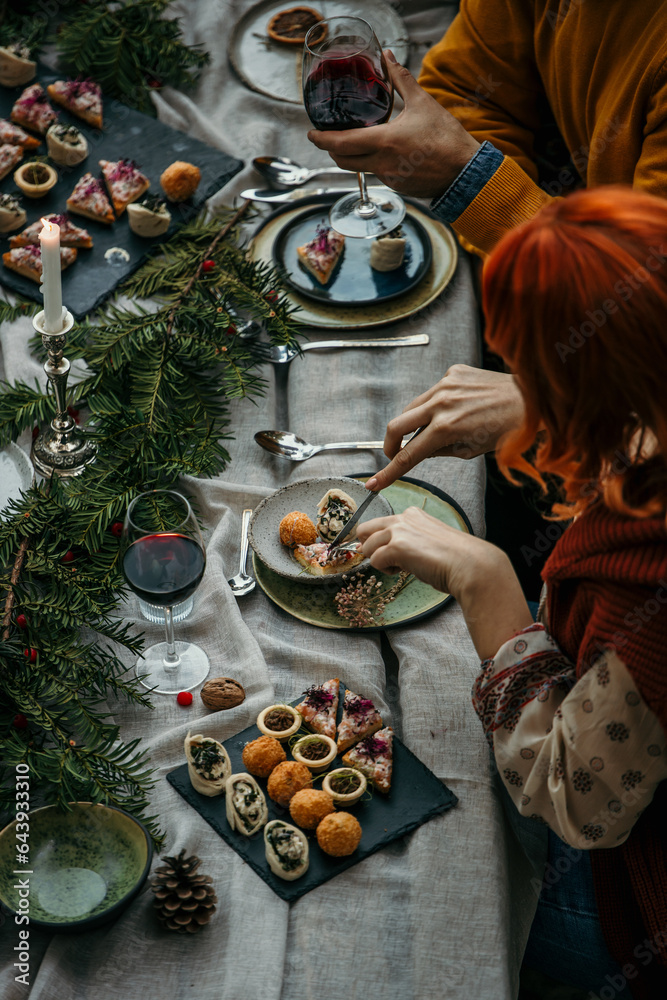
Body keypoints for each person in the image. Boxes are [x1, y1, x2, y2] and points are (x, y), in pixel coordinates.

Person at [357, 187, 667, 998]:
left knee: (415, 892)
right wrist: (545, 402)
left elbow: (583, 806)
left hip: (637, 895)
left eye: (530, 369)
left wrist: (484, 577)